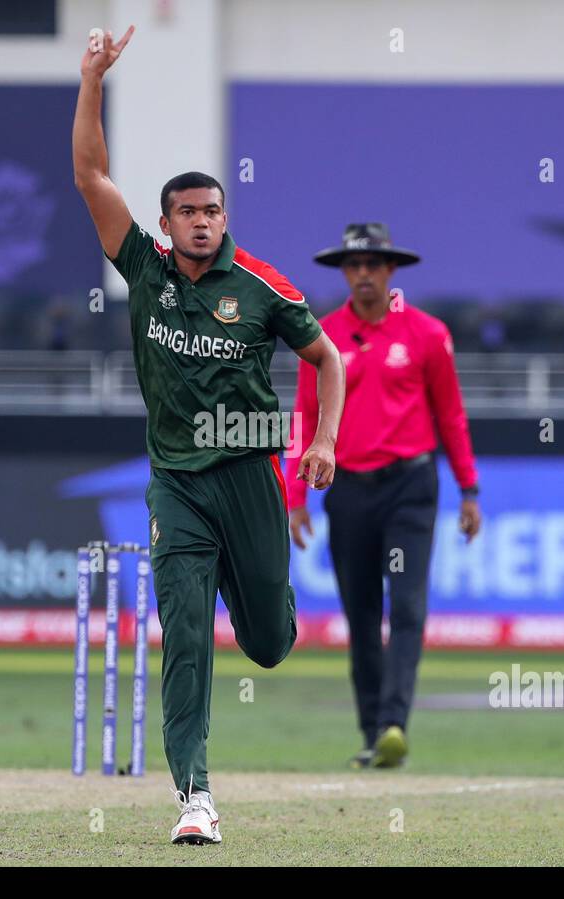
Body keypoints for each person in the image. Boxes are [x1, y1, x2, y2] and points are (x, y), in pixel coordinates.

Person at [72, 27, 345, 845]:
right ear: (165, 222)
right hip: (178, 485)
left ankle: (259, 593)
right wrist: (91, 79)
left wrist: (323, 443)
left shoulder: (262, 287)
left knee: (266, 643)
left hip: (251, 476)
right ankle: (196, 797)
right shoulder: (146, 270)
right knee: (184, 635)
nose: (202, 222)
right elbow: (89, 174)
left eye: (213, 210)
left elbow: (327, 359)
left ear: (228, 216)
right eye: (188, 212)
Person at [287, 223, 482, 770]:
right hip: (347, 487)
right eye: (355, 265)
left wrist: (469, 489)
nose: (365, 274)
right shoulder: (320, 337)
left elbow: (451, 415)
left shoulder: (426, 334)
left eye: (374, 264)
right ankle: (374, 732)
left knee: (410, 608)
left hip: (411, 486)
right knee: (361, 615)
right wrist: (294, 496)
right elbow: (303, 417)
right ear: (344, 273)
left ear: (391, 270)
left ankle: (394, 722)